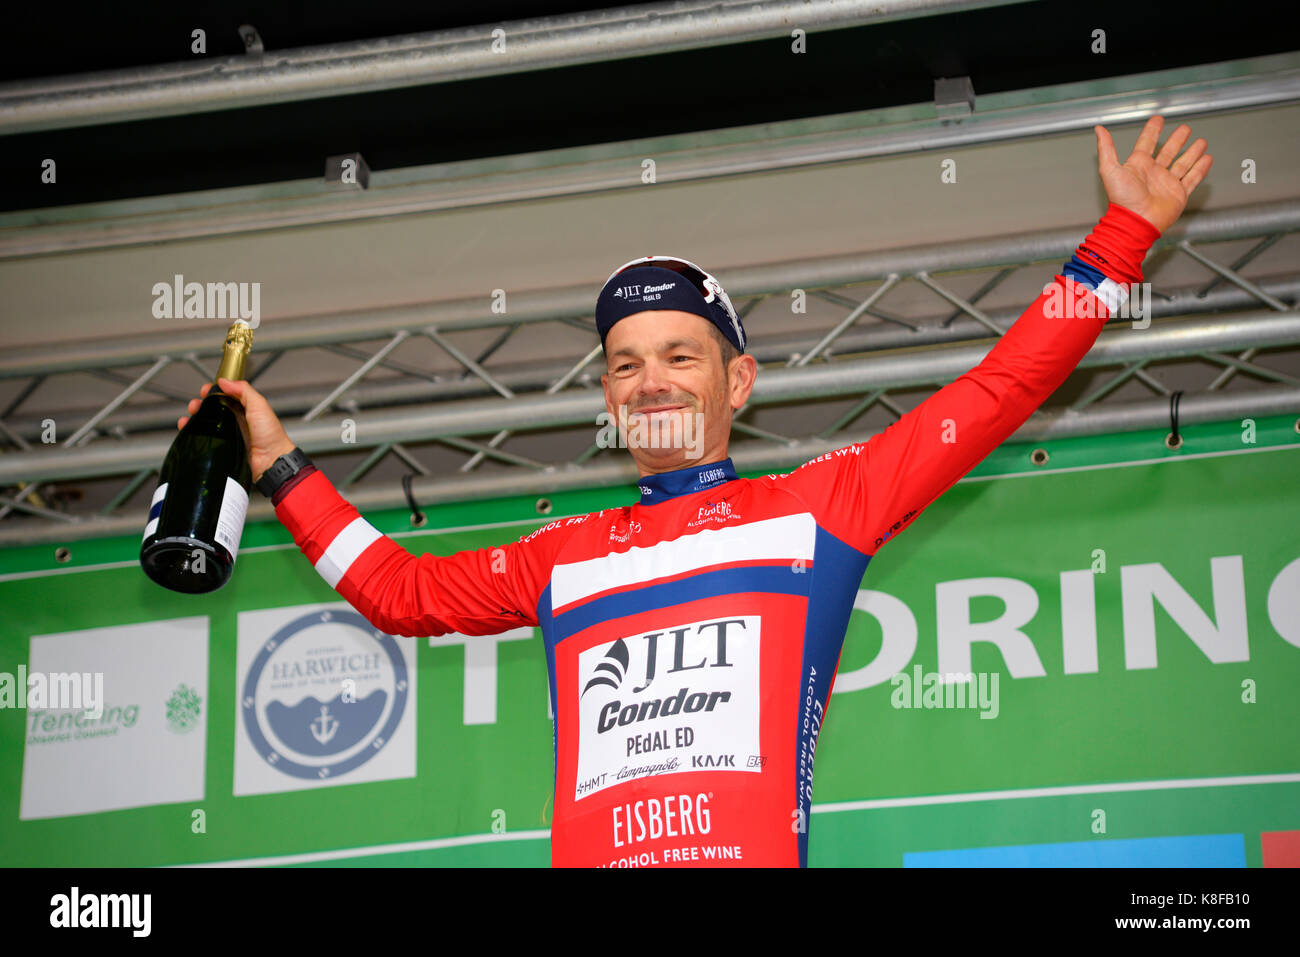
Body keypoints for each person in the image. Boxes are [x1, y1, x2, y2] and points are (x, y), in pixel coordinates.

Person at [180, 115, 1212, 867]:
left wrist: (1120, 240)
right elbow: (400, 594)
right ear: (607, 396)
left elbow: (999, 390)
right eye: (625, 364)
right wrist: (278, 463)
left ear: (739, 380)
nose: (652, 380)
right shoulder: (561, 553)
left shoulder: (820, 506)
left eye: (680, 354)